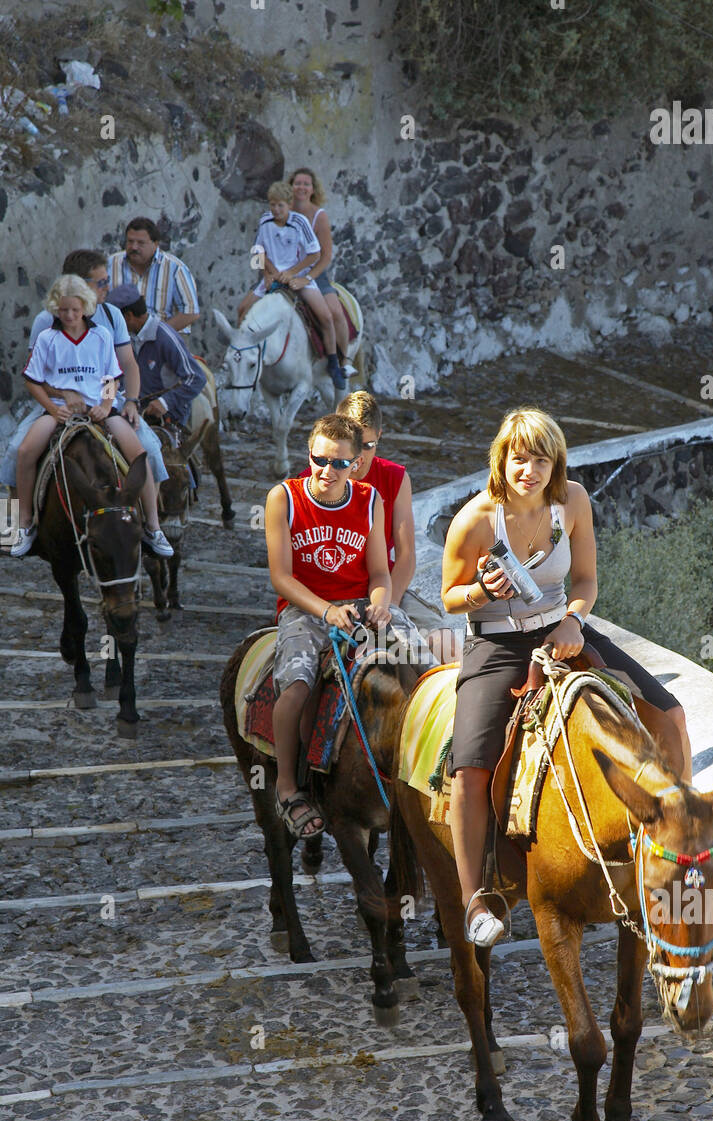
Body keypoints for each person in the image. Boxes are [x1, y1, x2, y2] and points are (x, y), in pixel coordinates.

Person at [441, 406, 692, 948]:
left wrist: (574, 620)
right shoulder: (477, 520)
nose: (526, 469)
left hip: (564, 628)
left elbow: (585, 580)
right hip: (498, 642)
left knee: (670, 715)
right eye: (516, 458)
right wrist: (483, 593)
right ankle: (473, 901)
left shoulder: (572, 502)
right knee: (469, 768)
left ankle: (681, 851)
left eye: (538, 459)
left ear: (554, 464)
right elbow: (449, 596)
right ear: (500, 460)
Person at [264, 412, 421, 837]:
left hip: (360, 603)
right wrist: (325, 611)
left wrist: (382, 604)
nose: (326, 471)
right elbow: (281, 577)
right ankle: (286, 786)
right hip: (305, 608)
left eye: (338, 463)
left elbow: (380, 573)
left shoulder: (370, 499)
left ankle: (426, 772)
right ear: (308, 454)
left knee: (422, 669)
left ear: (355, 463)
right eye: (319, 459)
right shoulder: (284, 498)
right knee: (296, 682)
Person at [9, 275, 173, 558]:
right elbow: (32, 381)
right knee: (24, 451)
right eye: (63, 310)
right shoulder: (48, 338)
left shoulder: (101, 336)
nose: (70, 316)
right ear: (55, 309)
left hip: (98, 410)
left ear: (85, 307)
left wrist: (107, 405)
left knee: (139, 452)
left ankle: (152, 526)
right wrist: (51, 408)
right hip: (61, 410)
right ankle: (25, 522)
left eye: (75, 310)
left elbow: (112, 377)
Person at [0, 249, 170, 500]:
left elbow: (126, 366)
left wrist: (129, 402)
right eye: (100, 283)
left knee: (151, 450)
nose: (107, 287)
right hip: (57, 403)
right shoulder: (46, 321)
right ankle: (19, 526)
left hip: (105, 399)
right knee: (16, 451)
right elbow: (35, 376)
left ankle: (147, 529)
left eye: (107, 281)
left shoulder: (111, 316)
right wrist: (64, 394)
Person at [237, 181, 346, 391]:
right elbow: (259, 250)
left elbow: (314, 254)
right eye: (272, 205)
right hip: (274, 275)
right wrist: (268, 273)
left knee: (326, 316)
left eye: (280, 206)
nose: (276, 210)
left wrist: (293, 274)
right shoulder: (265, 221)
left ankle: (334, 361)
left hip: (298, 274)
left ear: (289, 205)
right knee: (242, 308)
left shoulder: (301, 222)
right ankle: (242, 354)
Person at [107, 285, 206, 427]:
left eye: (115, 319)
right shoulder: (124, 340)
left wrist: (165, 402)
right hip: (133, 411)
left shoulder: (165, 337)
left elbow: (196, 377)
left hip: (169, 417)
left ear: (128, 316)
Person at [289, 166, 350, 363]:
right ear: (290, 186)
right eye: (297, 183)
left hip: (314, 273)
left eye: (306, 184)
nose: (301, 187)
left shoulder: (319, 216)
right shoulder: (282, 210)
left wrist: (307, 277)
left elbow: (326, 256)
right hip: (286, 272)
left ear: (313, 189)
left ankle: (344, 361)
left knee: (336, 313)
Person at [108, 217, 200, 335]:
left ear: (155, 244)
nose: (134, 247)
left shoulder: (175, 269)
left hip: (162, 340)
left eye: (141, 243)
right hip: (118, 338)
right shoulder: (110, 264)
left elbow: (191, 312)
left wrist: (157, 334)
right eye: (130, 241)